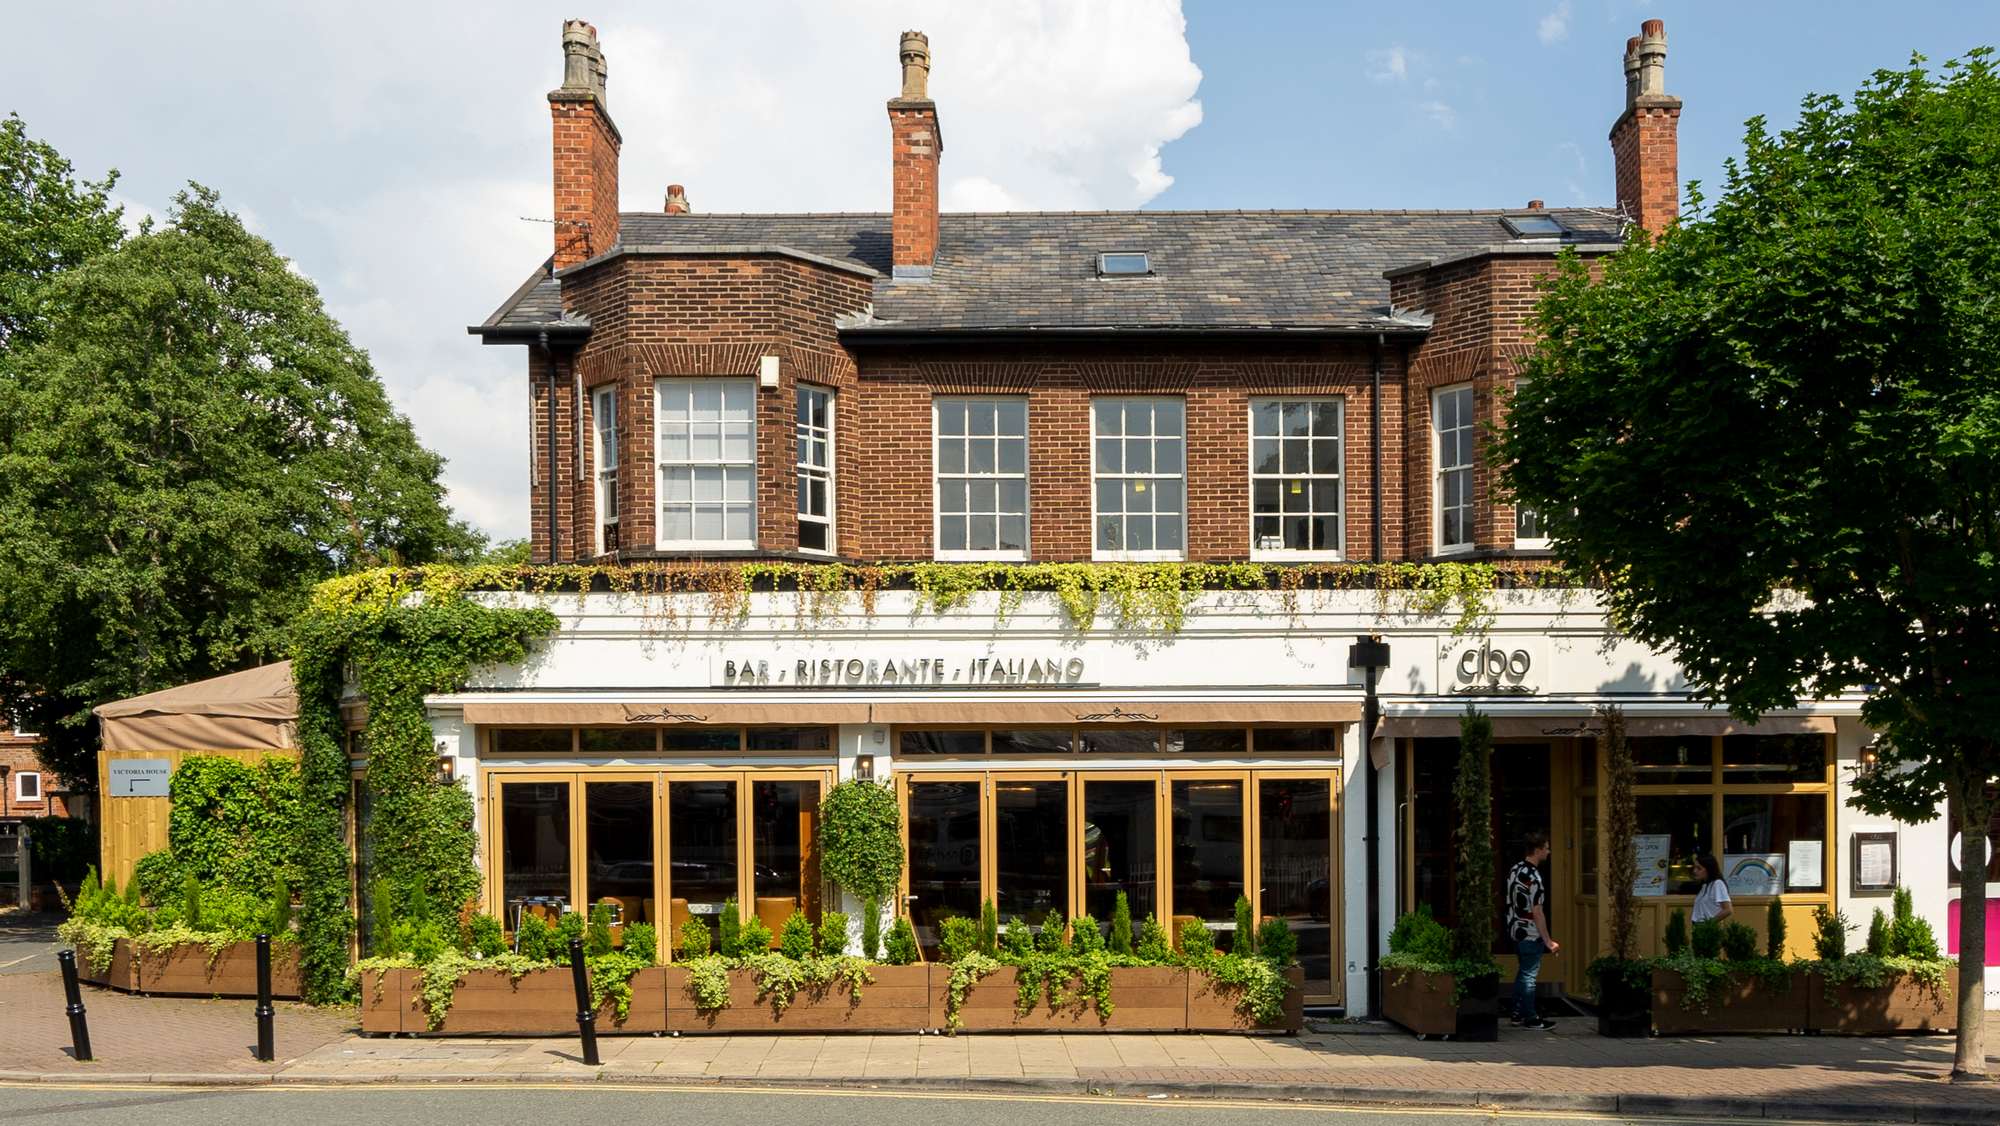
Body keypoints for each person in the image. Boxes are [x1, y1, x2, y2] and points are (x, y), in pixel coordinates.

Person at [1505, 829, 1560, 1031]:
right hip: (1530, 932)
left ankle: (1517, 1013)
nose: (1549, 852)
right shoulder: (1534, 878)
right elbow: (1537, 912)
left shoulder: (1515, 870)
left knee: (1523, 973)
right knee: (1529, 976)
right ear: (1537, 850)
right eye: (1546, 848)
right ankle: (1530, 1017)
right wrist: (1547, 940)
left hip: (1515, 930)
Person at [1690, 852, 1733, 923]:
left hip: (1708, 928)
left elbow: (1728, 910)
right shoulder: (1705, 885)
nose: (1695, 871)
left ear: (1709, 869)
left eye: (1699, 868)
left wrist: (1709, 923)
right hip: (1698, 926)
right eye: (1695, 867)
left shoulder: (1717, 884)